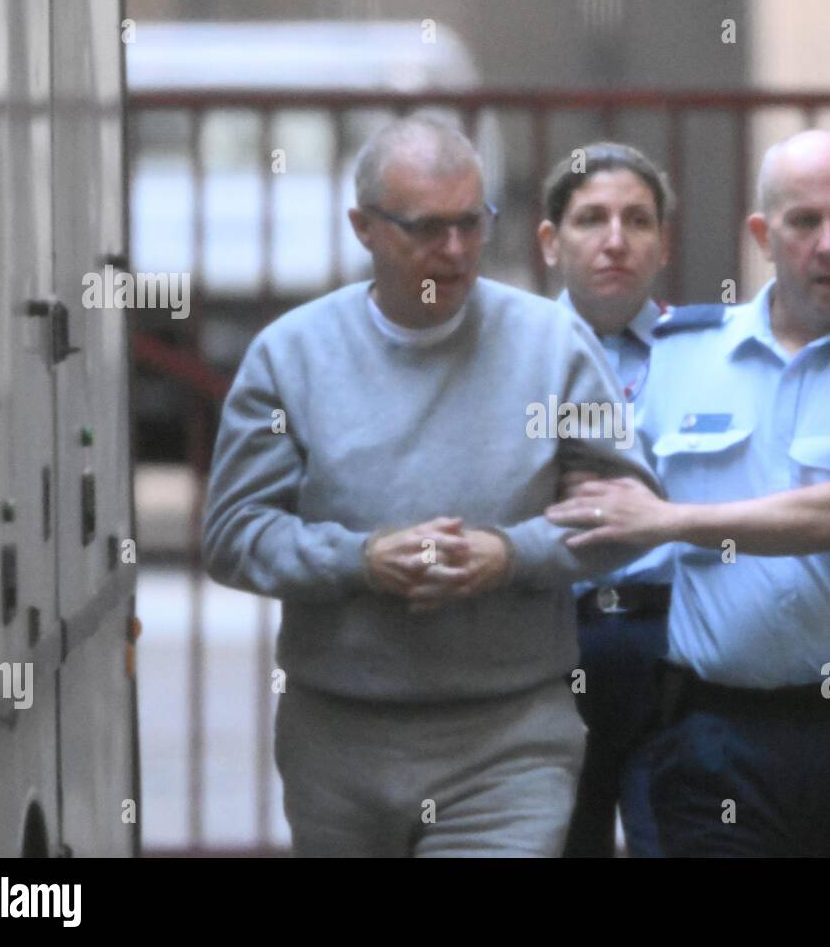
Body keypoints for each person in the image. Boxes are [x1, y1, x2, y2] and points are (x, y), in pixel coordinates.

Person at [202, 116, 659, 857]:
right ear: (364, 228)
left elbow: (621, 511)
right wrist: (361, 561)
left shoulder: (551, 346)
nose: (453, 252)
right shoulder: (292, 357)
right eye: (425, 228)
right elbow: (234, 534)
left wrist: (510, 555)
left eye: (471, 225)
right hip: (339, 739)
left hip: (509, 738)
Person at [547, 129, 830, 856]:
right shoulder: (680, 355)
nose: (828, 244)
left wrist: (670, 520)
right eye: (804, 221)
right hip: (715, 738)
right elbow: (579, 481)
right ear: (762, 234)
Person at [537, 142, 675, 857]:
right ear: (551, 242)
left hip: (675, 657)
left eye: (637, 220)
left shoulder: (710, 354)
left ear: (663, 243)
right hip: (548, 648)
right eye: (591, 219)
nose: (615, 240)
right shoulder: (510, 354)